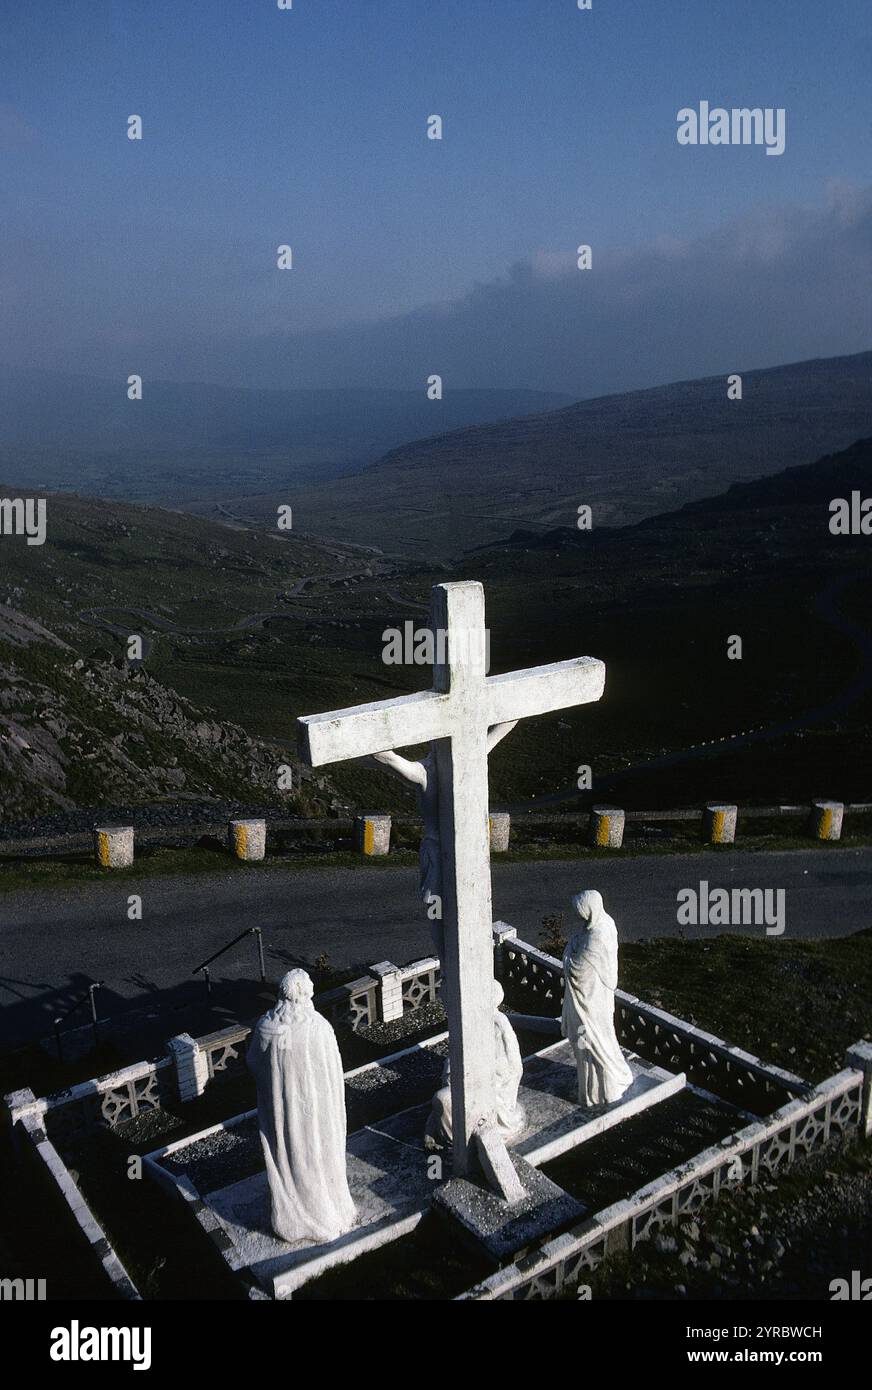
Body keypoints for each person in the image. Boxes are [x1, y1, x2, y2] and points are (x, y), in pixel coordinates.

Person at [247, 969, 357, 1245]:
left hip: (282, 1113)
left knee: (290, 1158)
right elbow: (333, 1073)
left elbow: (254, 1063)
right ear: (306, 994)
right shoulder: (318, 1027)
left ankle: (296, 1216)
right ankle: (330, 1214)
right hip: (316, 1114)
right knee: (318, 1158)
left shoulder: (266, 1027)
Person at [425, 979, 525, 1148]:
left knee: (442, 1099)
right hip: (470, 1084)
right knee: (443, 1099)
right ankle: (453, 1133)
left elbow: (510, 1070)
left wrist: (470, 1079)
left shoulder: (497, 1026)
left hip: (491, 1092)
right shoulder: (470, 1023)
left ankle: (461, 1143)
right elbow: (453, 1065)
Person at [562, 890, 634, 1107]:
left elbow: (578, 969)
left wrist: (568, 952)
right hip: (591, 1001)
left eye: (582, 913)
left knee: (593, 1042)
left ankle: (603, 1090)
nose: (580, 919)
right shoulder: (602, 923)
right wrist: (574, 944)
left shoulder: (599, 935)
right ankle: (592, 1089)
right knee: (589, 1044)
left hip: (591, 1005)